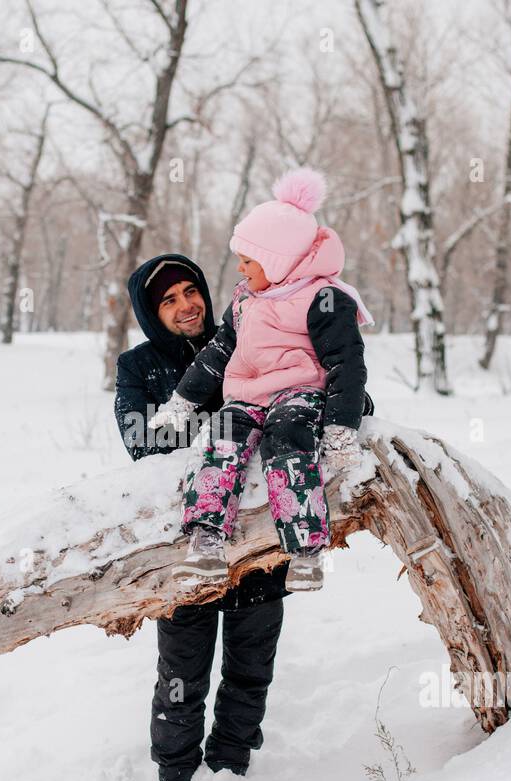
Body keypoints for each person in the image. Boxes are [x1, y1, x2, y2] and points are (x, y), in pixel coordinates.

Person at [113, 253, 292, 781]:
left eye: (190, 291)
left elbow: (303, 383)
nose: (185, 305)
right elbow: (145, 442)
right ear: (151, 312)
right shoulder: (138, 366)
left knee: (252, 664)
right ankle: (175, 775)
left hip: (259, 538)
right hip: (188, 543)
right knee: (181, 671)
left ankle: (233, 761)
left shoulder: (246, 335)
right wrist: (236, 428)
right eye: (168, 300)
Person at [148, 168, 373, 593]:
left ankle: (306, 550)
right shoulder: (246, 299)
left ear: (278, 259)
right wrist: (182, 401)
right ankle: (207, 542)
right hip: (247, 394)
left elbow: (347, 360)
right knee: (223, 437)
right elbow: (218, 353)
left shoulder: (323, 298)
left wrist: (342, 426)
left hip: (300, 390)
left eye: (249, 259)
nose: (240, 267)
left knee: (285, 436)